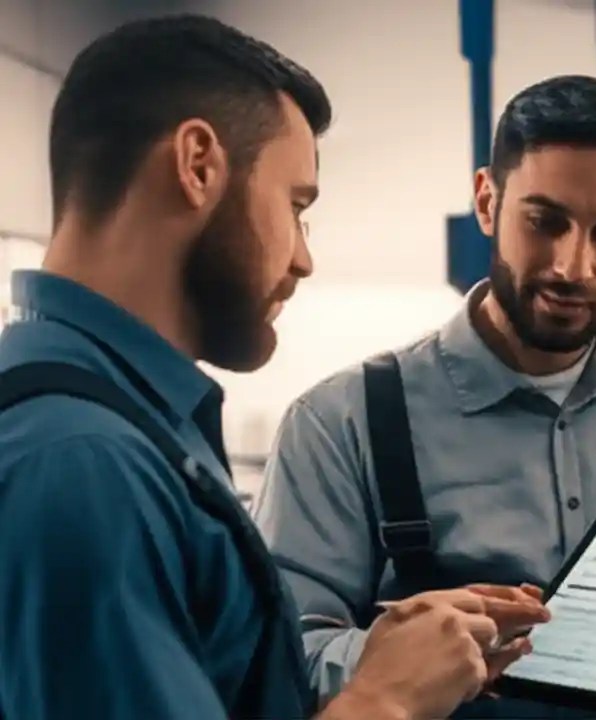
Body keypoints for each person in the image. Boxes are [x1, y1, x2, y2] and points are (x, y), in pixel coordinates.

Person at [0, 14, 547, 720]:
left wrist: (389, 659)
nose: (303, 258)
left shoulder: (112, 416)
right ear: (198, 165)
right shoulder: (84, 463)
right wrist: (386, 700)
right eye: (295, 206)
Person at [253, 74, 596, 719]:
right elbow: (279, 667)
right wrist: (414, 655)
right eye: (545, 222)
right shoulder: (342, 423)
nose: (574, 267)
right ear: (487, 201)